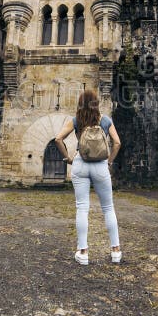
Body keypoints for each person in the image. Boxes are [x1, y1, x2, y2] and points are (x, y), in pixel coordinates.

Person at [55, 89, 122, 265]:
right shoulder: (106, 120)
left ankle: (83, 252)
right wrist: (109, 161)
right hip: (100, 165)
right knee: (108, 207)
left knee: (82, 208)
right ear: (97, 103)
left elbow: (58, 139)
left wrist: (67, 158)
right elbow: (117, 143)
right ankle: (115, 251)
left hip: (80, 164)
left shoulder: (76, 121)